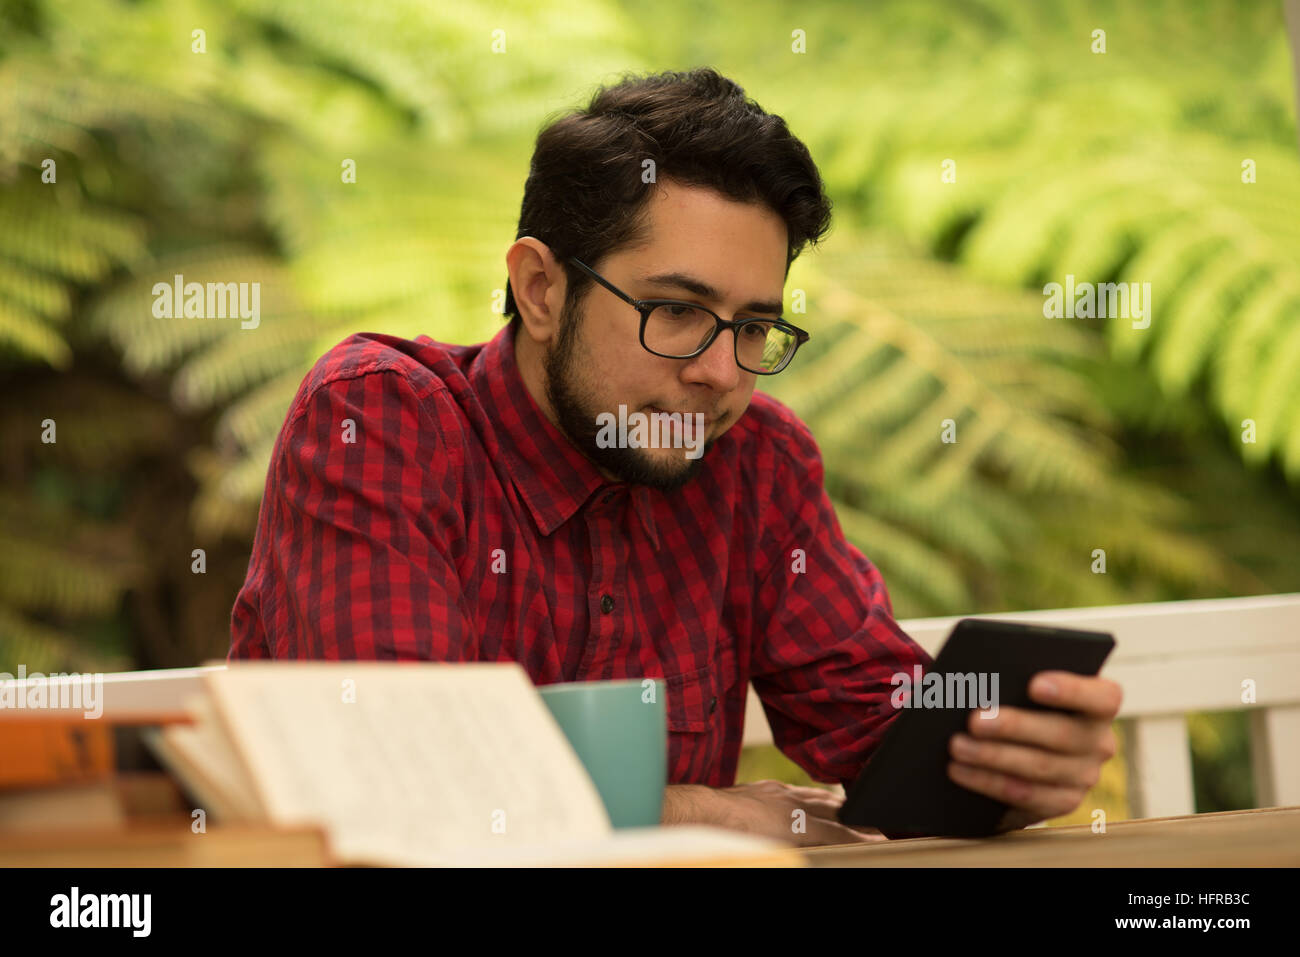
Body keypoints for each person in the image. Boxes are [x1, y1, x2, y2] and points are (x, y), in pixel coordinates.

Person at [230, 67, 1121, 847]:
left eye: (755, 327)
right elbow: (404, 768)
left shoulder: (754, 462)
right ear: (541, 288)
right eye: (679, 312)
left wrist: (1002, 765)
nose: (720, 373)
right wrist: (701, 811)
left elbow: (882, 732)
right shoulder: (380, 418)